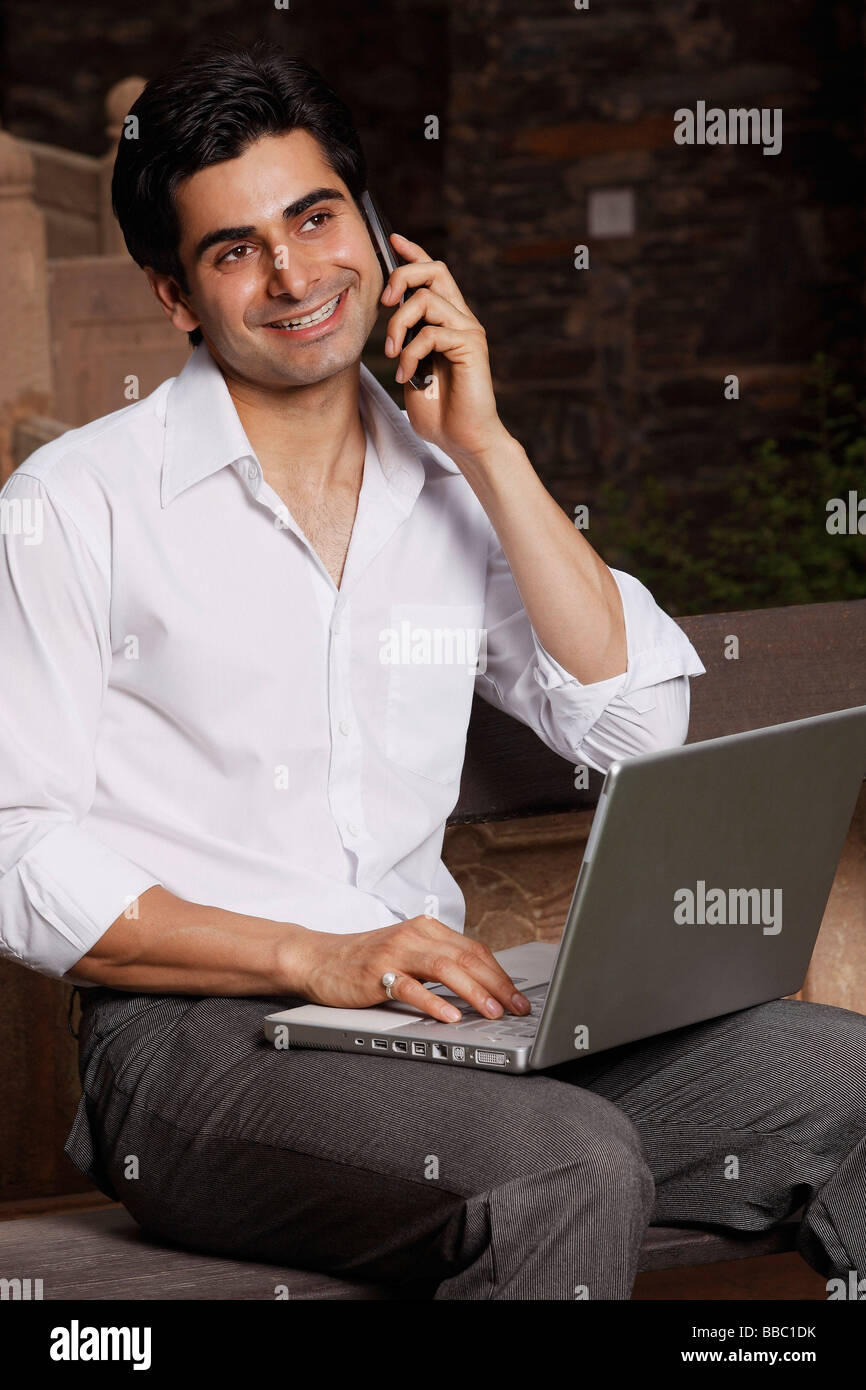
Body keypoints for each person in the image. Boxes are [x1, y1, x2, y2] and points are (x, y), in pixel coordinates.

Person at [1, 39, 863, 1301]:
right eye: (235, 249)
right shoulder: (77, 503)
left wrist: (487, 445)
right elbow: (17, 851)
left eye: (316, 217)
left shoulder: (442, 484)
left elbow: (638, 728)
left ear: (380, 232)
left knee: (848, 1085)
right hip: (193, 1049)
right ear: (175, 296)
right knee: (560, 1166)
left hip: (433, 1022)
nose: (294, 273)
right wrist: (312, 955)